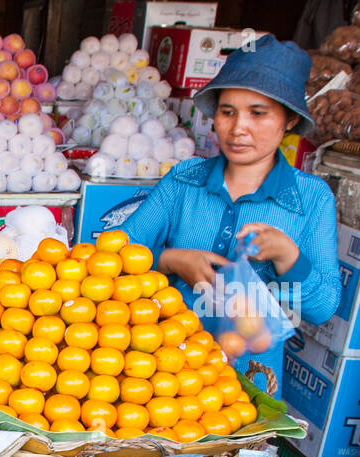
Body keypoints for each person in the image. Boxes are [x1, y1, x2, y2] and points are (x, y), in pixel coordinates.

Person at [123, 35, 342, 379]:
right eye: (228, 112)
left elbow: (323, 307)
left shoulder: (312, 198)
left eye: (258, 114)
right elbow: (115, 251)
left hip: (248, 380)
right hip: (157, 368)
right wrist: (169, 260)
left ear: (289, 121)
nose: (238, 128)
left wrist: (287, 256)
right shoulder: (185, 180)